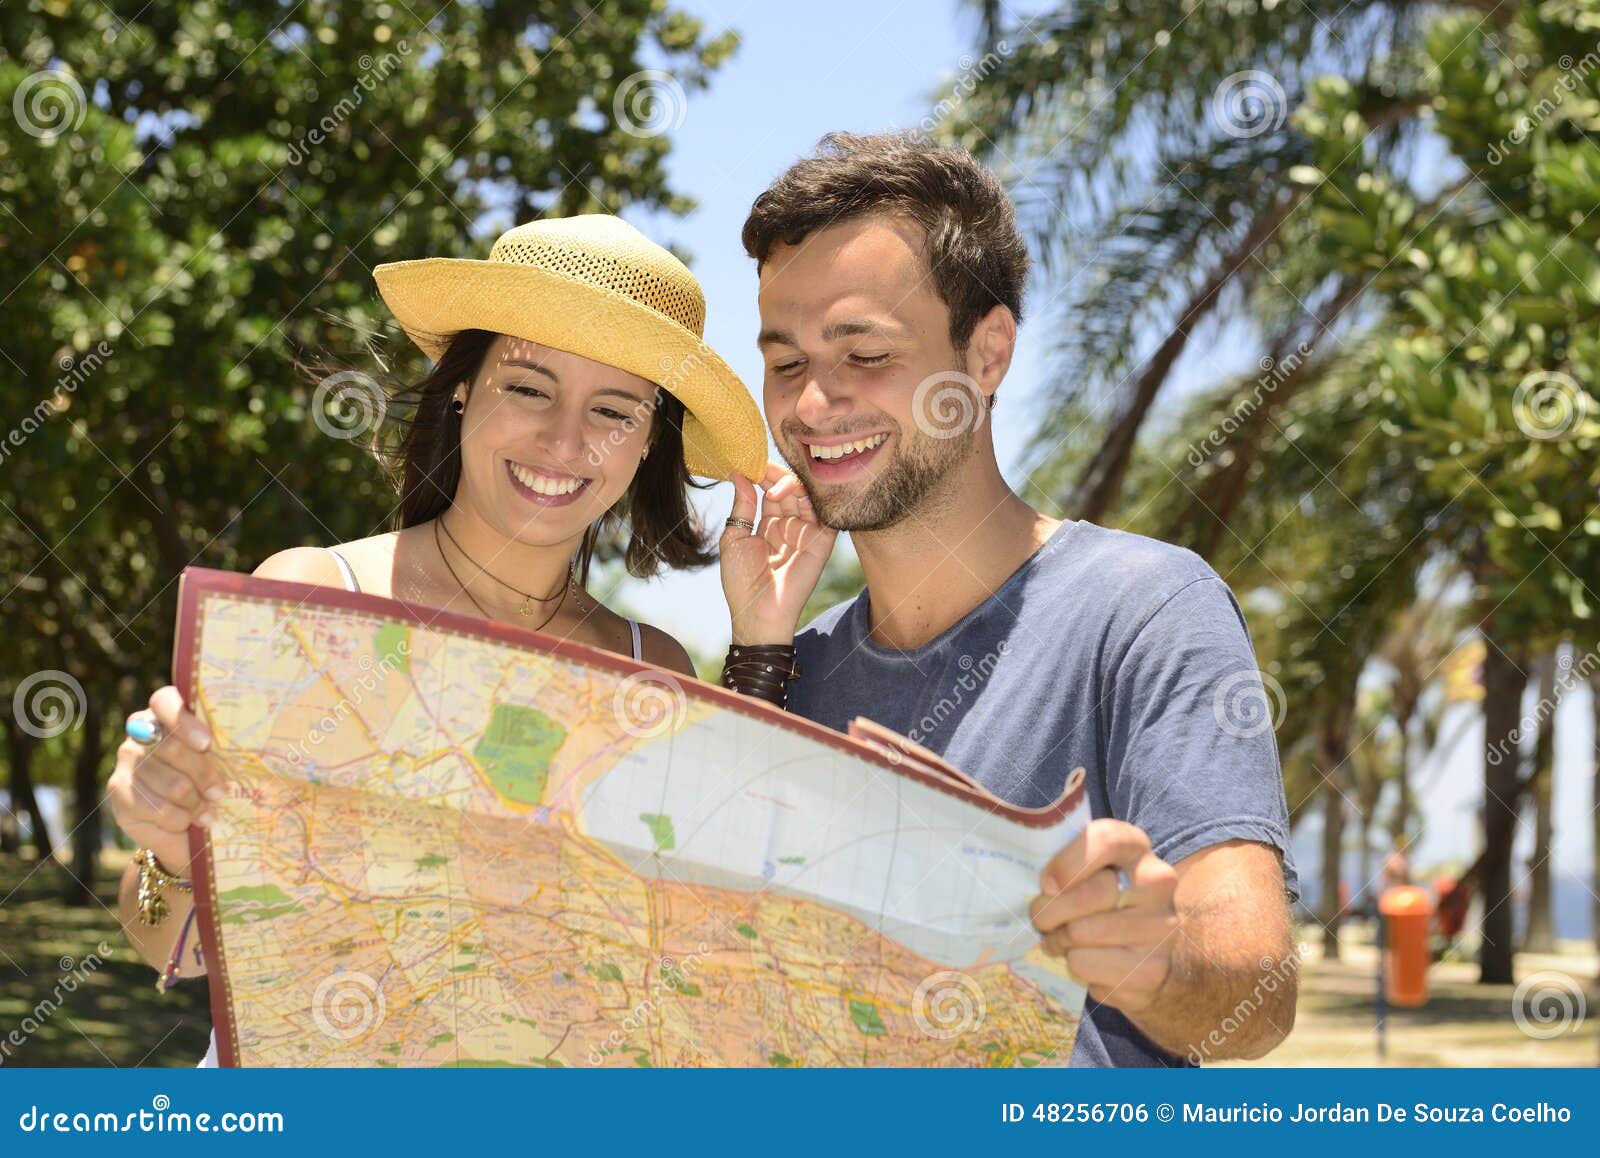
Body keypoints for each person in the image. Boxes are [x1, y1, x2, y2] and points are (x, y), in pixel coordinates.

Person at [104, 214, 818, 1063]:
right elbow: (178, 951)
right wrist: (166, 848)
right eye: (528, 387)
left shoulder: (648, 666)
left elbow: (705, 944)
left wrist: (763, 637)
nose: (563, 439)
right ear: (461, 388)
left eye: (614, 410)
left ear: (646, 446)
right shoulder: (316, 600)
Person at [715, 132, 1301, 1066]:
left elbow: (1257, 997)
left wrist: (1152, 964)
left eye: (864, 352)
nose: (813, 406)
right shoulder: (798, 661)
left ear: (987, 354)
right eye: (786, 363)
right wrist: (757, 649)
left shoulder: (1147, 610)